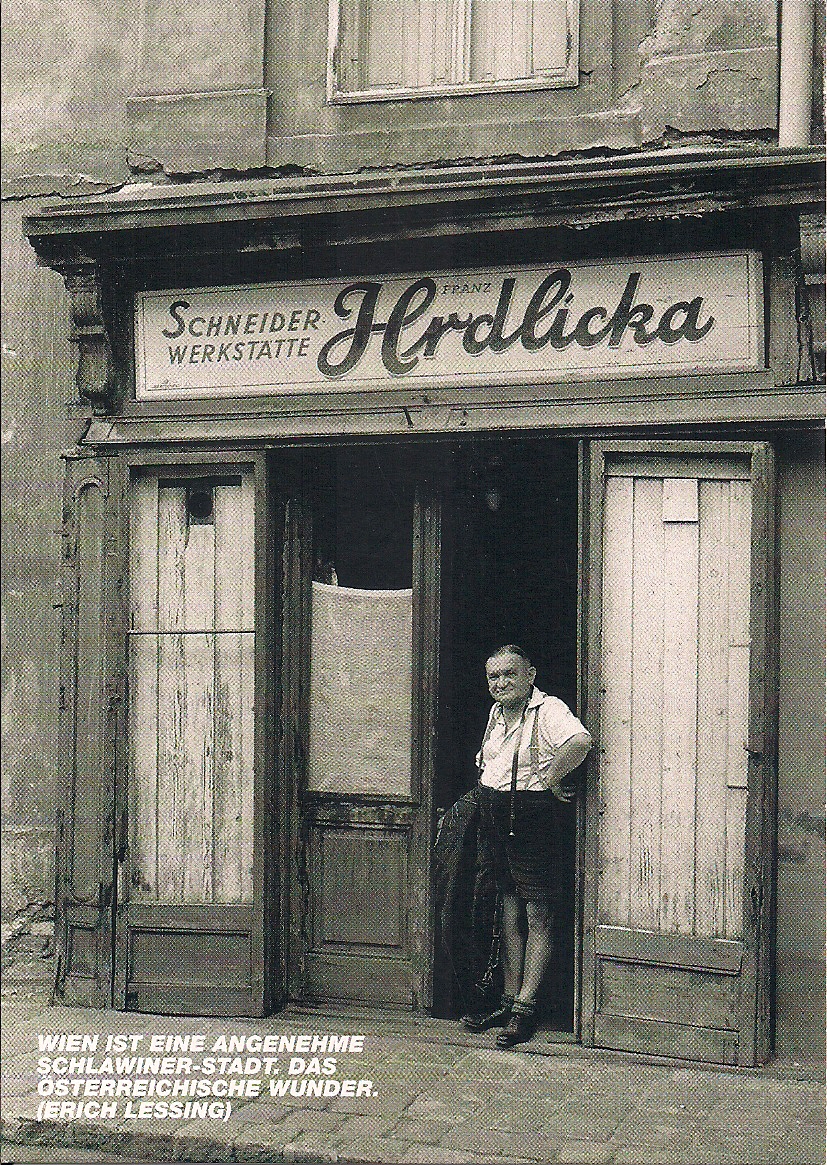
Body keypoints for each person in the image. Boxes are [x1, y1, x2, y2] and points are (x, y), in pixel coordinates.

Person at [462, 645, 592, 1047]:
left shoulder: (548, 710)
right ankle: (506, 999)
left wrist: (552, 777)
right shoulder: (496, 714)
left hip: (531, 818)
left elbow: (580, 742)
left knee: (538, 915)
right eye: (493, 677)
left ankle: (525, 1008)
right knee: (508, 909)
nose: (500, 683)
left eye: (509, 675)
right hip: (496, 814)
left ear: (530, 674)